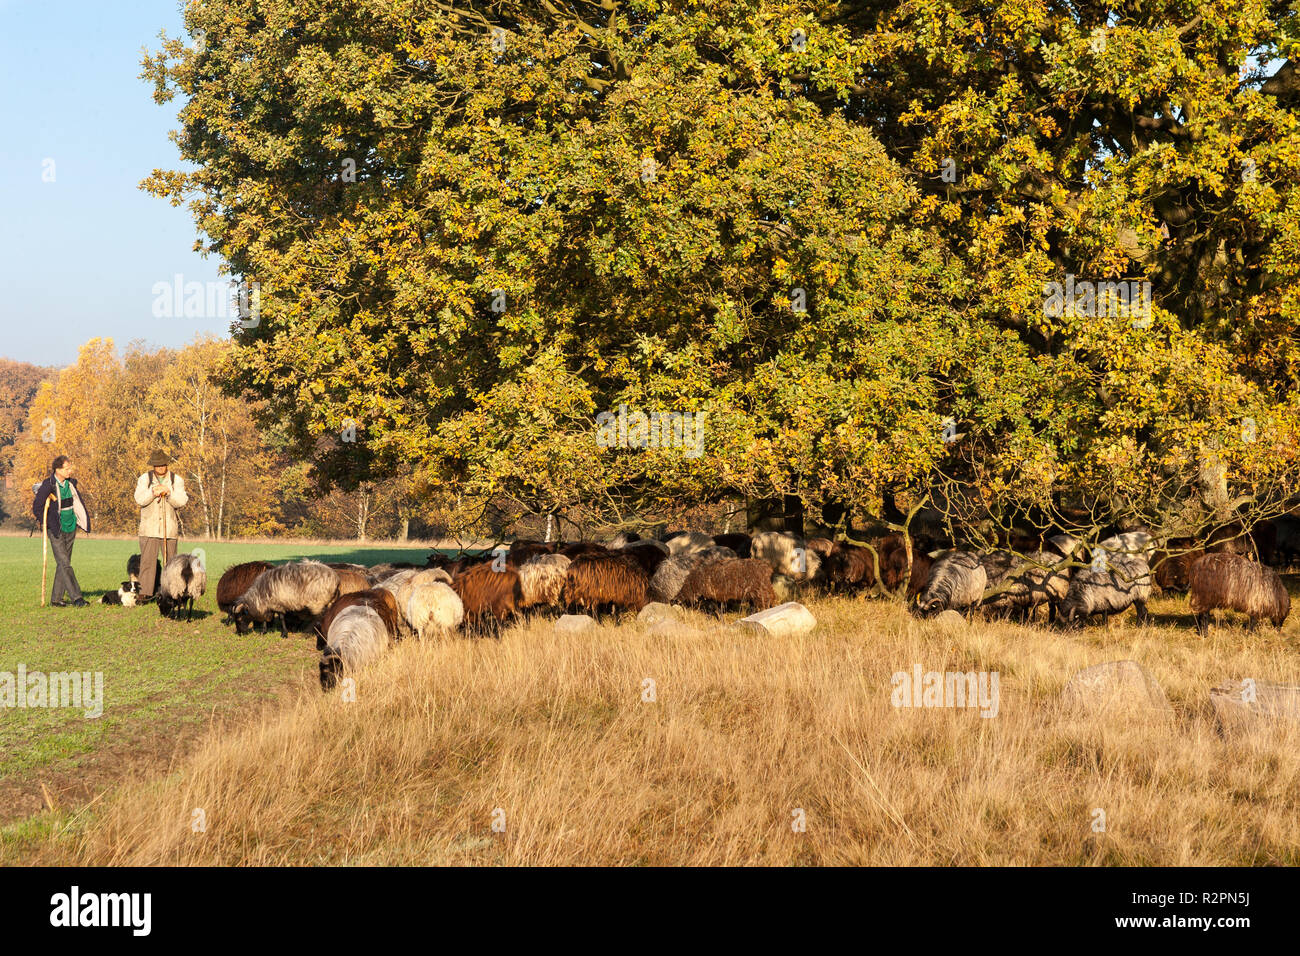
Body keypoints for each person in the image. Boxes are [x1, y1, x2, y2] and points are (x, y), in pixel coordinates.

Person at [31, 455, 91, 607]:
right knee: (65, 563)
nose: (70, 471)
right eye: (67, 468)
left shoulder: (71, 483)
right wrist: (49, 523)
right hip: (56, 530)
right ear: (58, 470)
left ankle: (56, 599)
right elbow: (37, 508)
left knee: (63, 564)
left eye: (70, 467)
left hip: (71, 527)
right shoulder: (48, 485)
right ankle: (77, 598)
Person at [133, 449, 188, 600]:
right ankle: (145, 593)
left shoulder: (177, 480)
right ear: (153, 466)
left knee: (171, 563)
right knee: (147, 562)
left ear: (166, 464)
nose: (160, 468)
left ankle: (172, 591)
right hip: (148, 528)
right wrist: (153, 492)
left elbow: (182, 501)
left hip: (169, 529)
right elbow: (139, 499)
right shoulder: (145, 479)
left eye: (163, 465)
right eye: (157, 465)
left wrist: (169, 492)